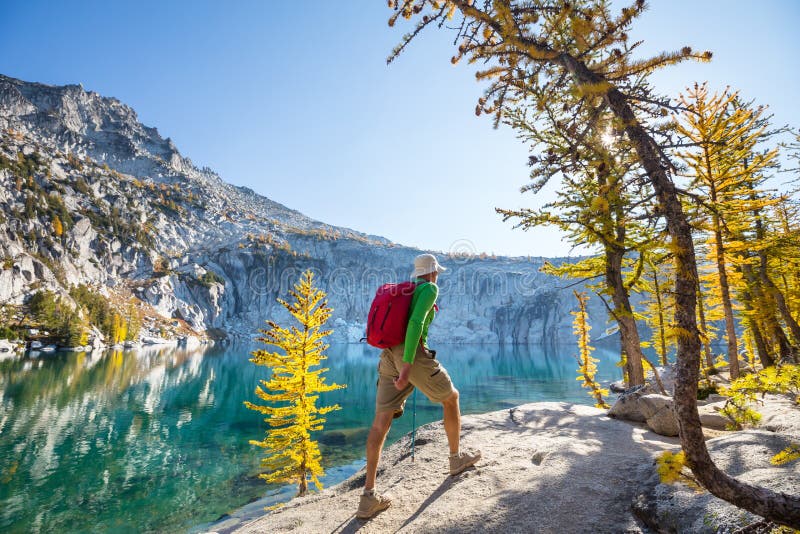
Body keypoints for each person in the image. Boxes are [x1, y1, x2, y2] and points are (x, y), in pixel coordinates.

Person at [357, 253, 482, 519]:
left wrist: (400, 364)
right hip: (408, 356)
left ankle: (368, 498)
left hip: (387, 353)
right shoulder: (429, 289)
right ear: (433, 272)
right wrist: (406, 368)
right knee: (452, 397)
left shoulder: (406, 290)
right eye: (437, 272)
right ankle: (456, 460)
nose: (437, 276)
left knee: (380, 423)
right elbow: (414, 324)